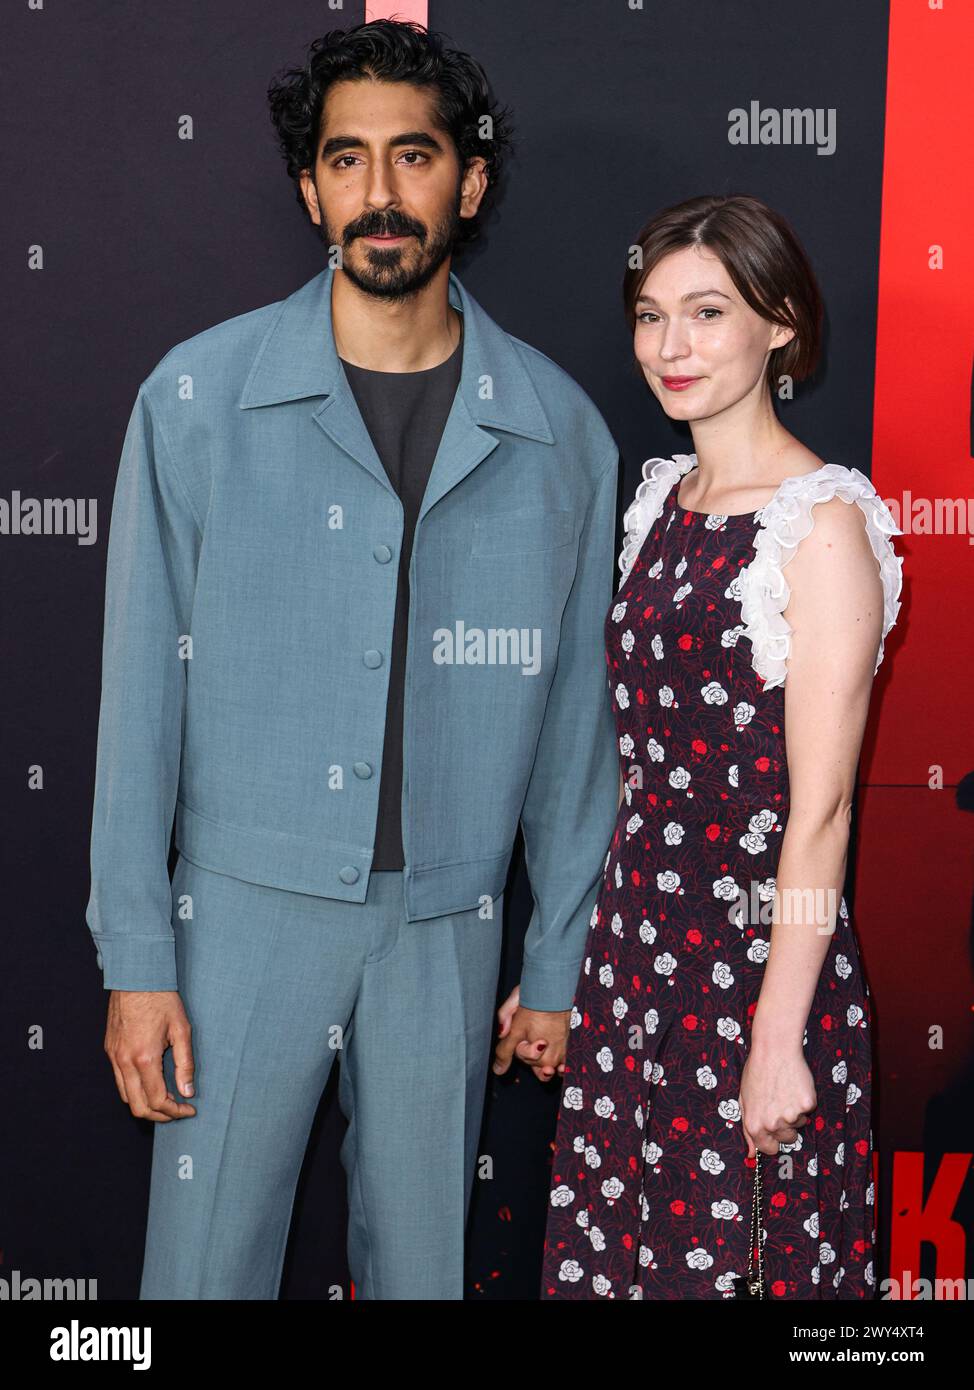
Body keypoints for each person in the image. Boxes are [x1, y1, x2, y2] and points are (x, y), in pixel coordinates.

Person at [85, 19, 620, 1300]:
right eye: (347, 160)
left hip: (448, 930)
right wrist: (139, 959)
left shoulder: (558, 433)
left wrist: (555, 960)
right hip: (238, 925)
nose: (381, 195)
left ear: (468, 182)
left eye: (415, 156)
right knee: (202, 1275)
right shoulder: (195, 402)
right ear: (310, 185)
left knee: (424, 1278)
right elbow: (137, 700)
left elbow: (572, 735)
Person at [537, 193, 903, 1300]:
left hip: (753, 969)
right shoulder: (660, 500)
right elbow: (629, 762)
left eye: (706, 312)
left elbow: (822, 811)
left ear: (779, 325)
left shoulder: (823, 524)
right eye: (651, 316)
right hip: (634, 956)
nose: (670, 347)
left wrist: (780, 1033)